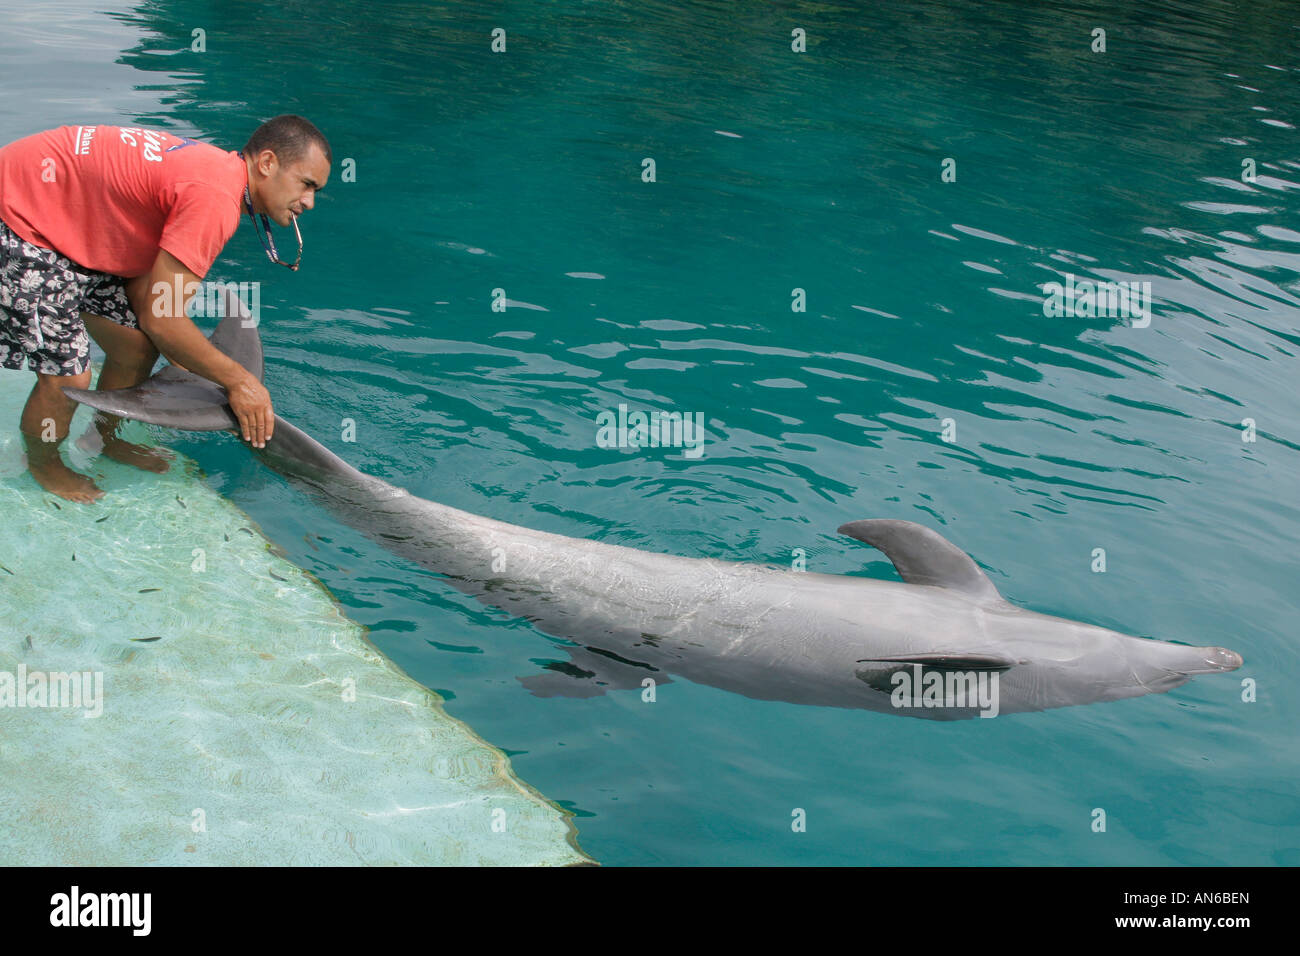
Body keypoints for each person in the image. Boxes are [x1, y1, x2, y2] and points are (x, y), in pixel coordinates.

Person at [0, 114, 330, 502]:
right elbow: (163, 318)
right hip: (19, 217)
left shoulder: (218, 174)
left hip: (66, 217)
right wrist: (241, 382)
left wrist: (189, 357)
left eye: (316, 190)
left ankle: (106, 439)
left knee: (135, 347)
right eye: (306, 184)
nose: (310, 202)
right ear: (268, 163)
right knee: (68, 374)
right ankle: (44, 464)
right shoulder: (214, 200)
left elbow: (152, 302)